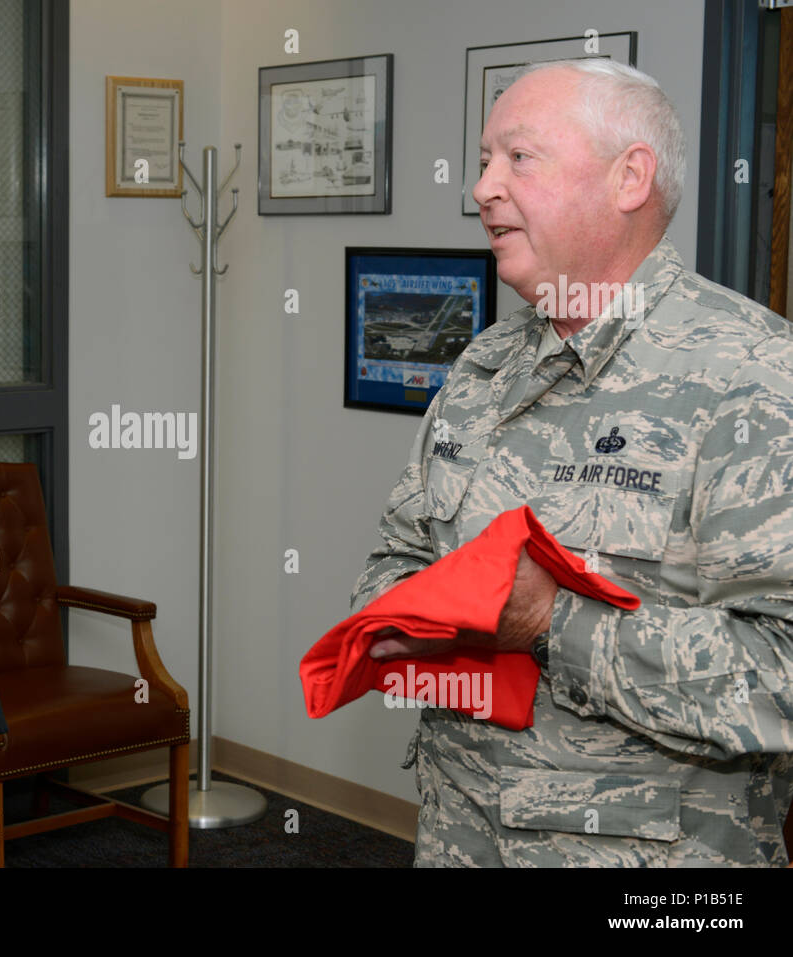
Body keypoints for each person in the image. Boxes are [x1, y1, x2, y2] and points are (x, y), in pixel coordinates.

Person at [351, 58, 793, 866]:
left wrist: (555, 623)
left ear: (630, 178)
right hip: (459, 834)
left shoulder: (752, 376)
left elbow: (781, 678)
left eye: (517, 157)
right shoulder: (483, 367)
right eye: (484, 160)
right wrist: (403, 618)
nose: (482, 186)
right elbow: (397, 556)